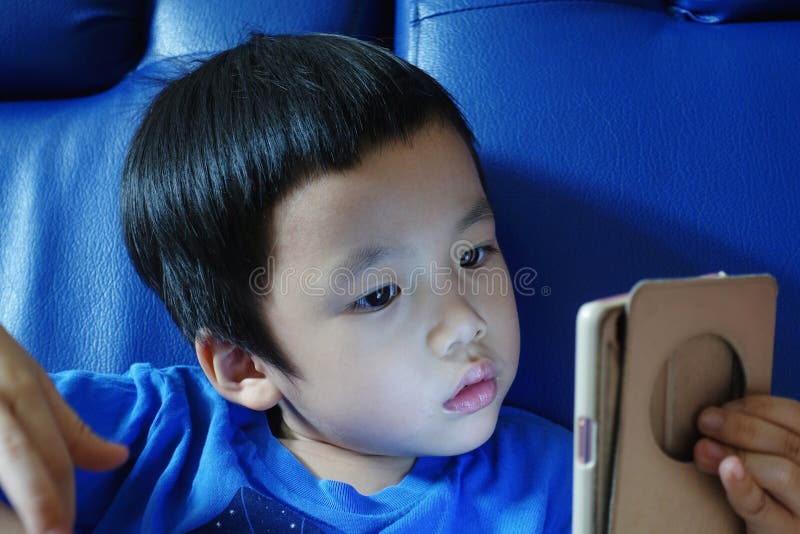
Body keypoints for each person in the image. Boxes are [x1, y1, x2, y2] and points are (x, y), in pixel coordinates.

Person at [0, 32, 798, 534]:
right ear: (244, 366)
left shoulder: (565, 491)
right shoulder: (144, 437)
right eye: (378, 295)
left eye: (475, 255)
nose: (464, 322)